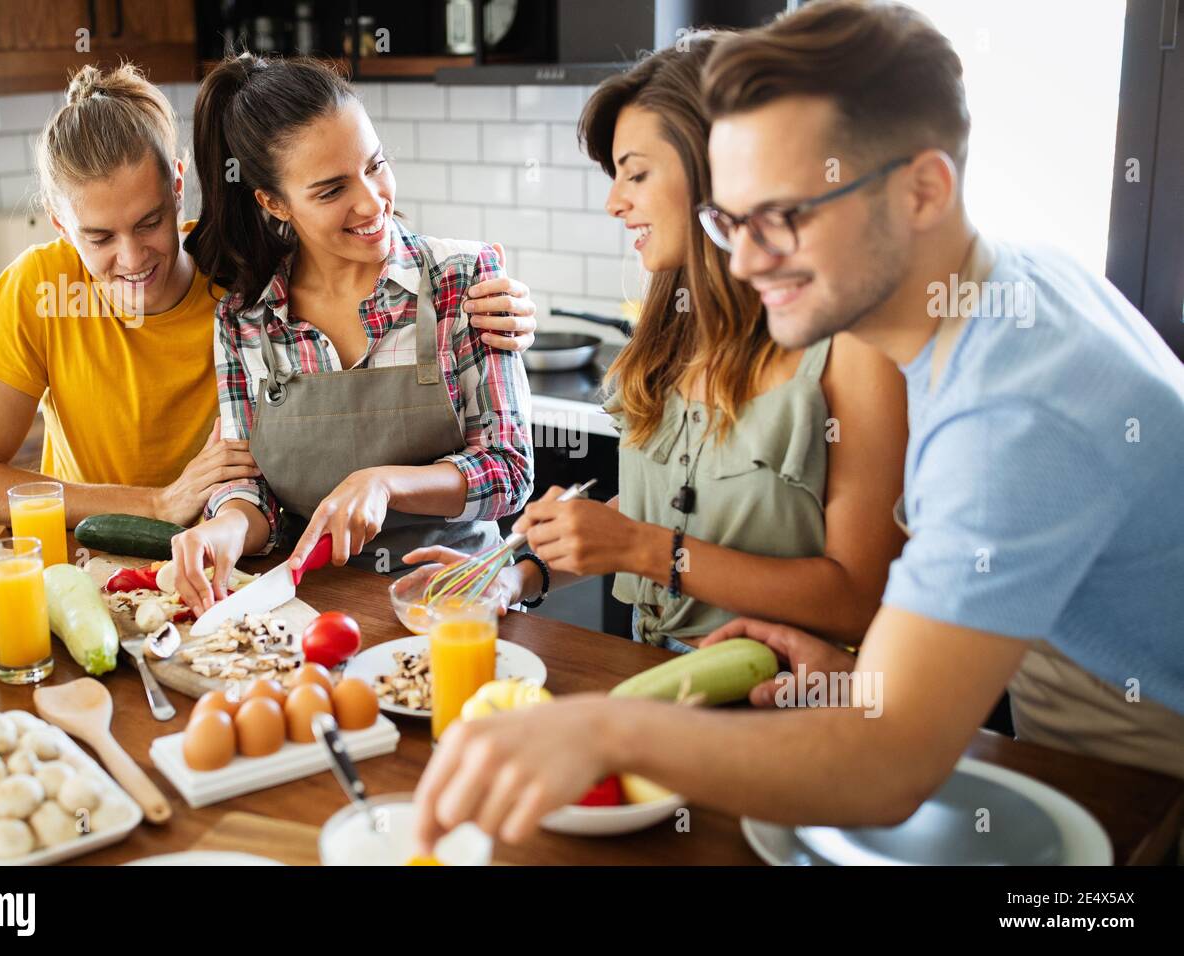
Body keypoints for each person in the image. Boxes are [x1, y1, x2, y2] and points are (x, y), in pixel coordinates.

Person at [413, 0, 1184, 850]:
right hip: (1060, 713)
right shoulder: (992, 285)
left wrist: (607, 731)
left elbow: (889, 765)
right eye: (729, 222)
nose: (743, 261)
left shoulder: (1010, 407)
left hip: (1146, 749)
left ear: (925, 189)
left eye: (781, 217)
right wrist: (859, 680)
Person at [404, 37, 907, 652]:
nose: (616, 202)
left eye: (637, 173)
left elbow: (858, 601)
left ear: (720, 167)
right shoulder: (670, 328)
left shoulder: (853, 350)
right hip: (652, 676)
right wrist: (516, 575)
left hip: (783, 704)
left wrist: (644, 551)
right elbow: (659, 510)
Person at [0, 63, 537, 528]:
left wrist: (504, 310)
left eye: (149, 222)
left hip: (242, 568)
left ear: (176, 188)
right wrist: (156, 504)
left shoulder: (241, 277)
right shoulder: (41, 289)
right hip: (100, 562)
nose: (133, 256)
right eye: (99, 237)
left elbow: (357, 248)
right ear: (62, 227)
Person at [167, 54, 535, 614]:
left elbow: (510, 470)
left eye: (376, 164)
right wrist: (227, 529)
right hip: (303, 613)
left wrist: (384, 483)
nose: (371, 201)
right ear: (273, 202)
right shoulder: (246, 320)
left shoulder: (462, 279)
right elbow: (250, 487)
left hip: (455, 601)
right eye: (331, 189)